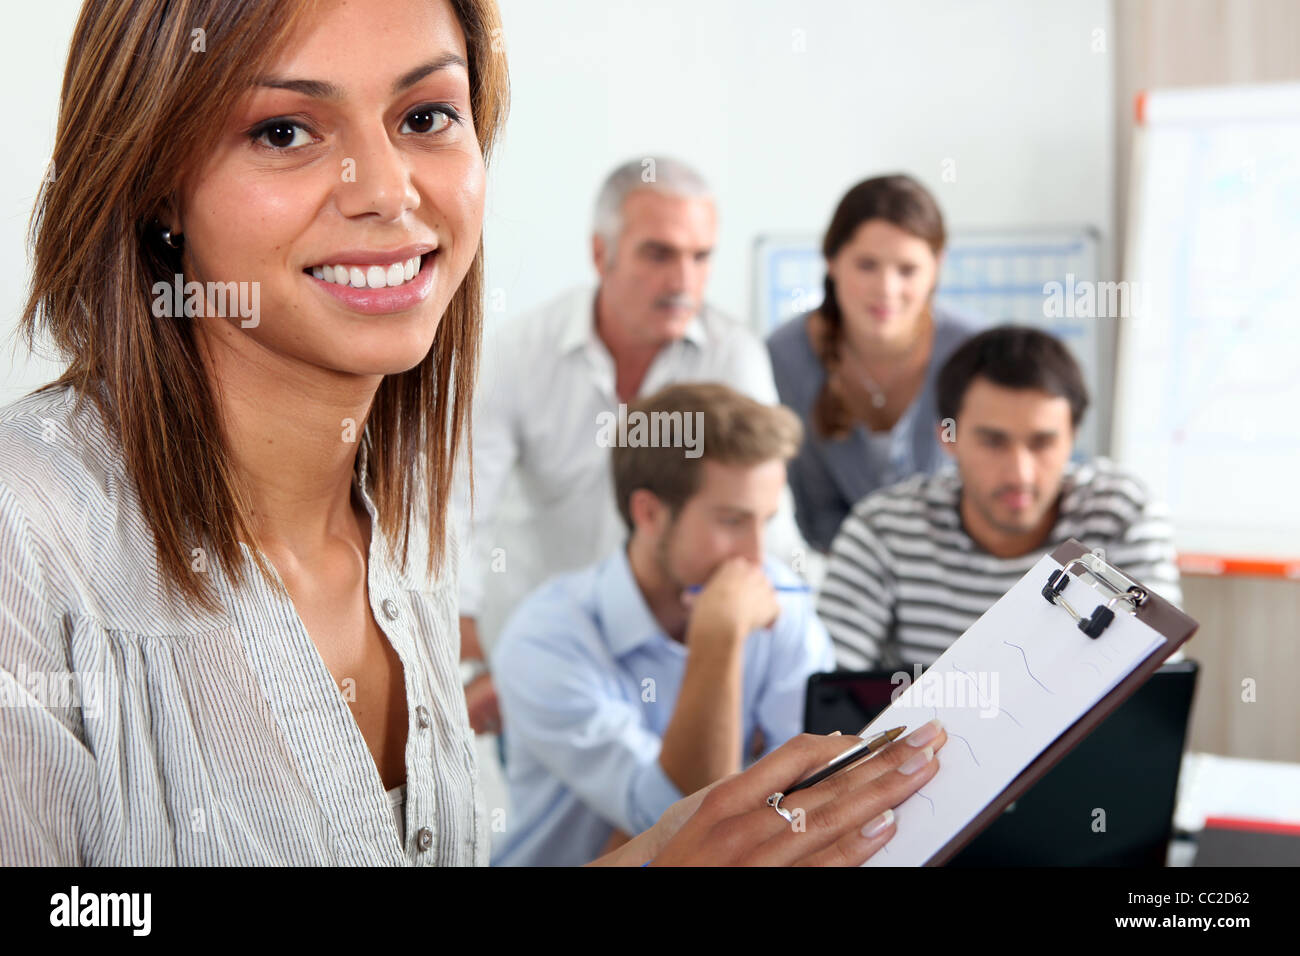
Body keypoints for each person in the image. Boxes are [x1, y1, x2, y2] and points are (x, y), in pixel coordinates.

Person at [0, 0, 944, 867]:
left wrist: (670, 850)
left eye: (424, 118)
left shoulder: (401, 533)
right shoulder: (28, 532)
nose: (387, 190)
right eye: (283, 130)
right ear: (155, 185)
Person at [452, 156, 804, 738]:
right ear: (601, 254)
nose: (683, 281)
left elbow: (770, 527)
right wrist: (486, 661)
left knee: (682, 817)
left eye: (701, 257)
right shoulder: (519, 353)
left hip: (677, 656)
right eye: (658, 253)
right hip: (550, 653)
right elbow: (455, 515)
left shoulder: (733, 356)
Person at [490, 384, 836, 866]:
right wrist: (718, 639)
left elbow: (814, 793)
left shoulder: (779, 603)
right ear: (649, 514)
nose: (756, 557)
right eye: (733, 521)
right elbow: (686, 827)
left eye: (766, 521)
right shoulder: (546, 638)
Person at [817, 325, 1183, 671]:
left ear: (1072, 437)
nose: (1020, 474)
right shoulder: (883, 528)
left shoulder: (1121, 514)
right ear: (947, 438)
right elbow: (828, 689)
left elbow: (1154, 682)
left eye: (1043, 442)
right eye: (993, 442)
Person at [767, 174, 977, 554]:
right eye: (866, 265)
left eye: (907, 269)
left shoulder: (975, 352)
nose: (886, 288)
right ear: (832, 262)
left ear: (937, 266)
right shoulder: (781, 357)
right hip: (830, 575)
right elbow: (791, 507)